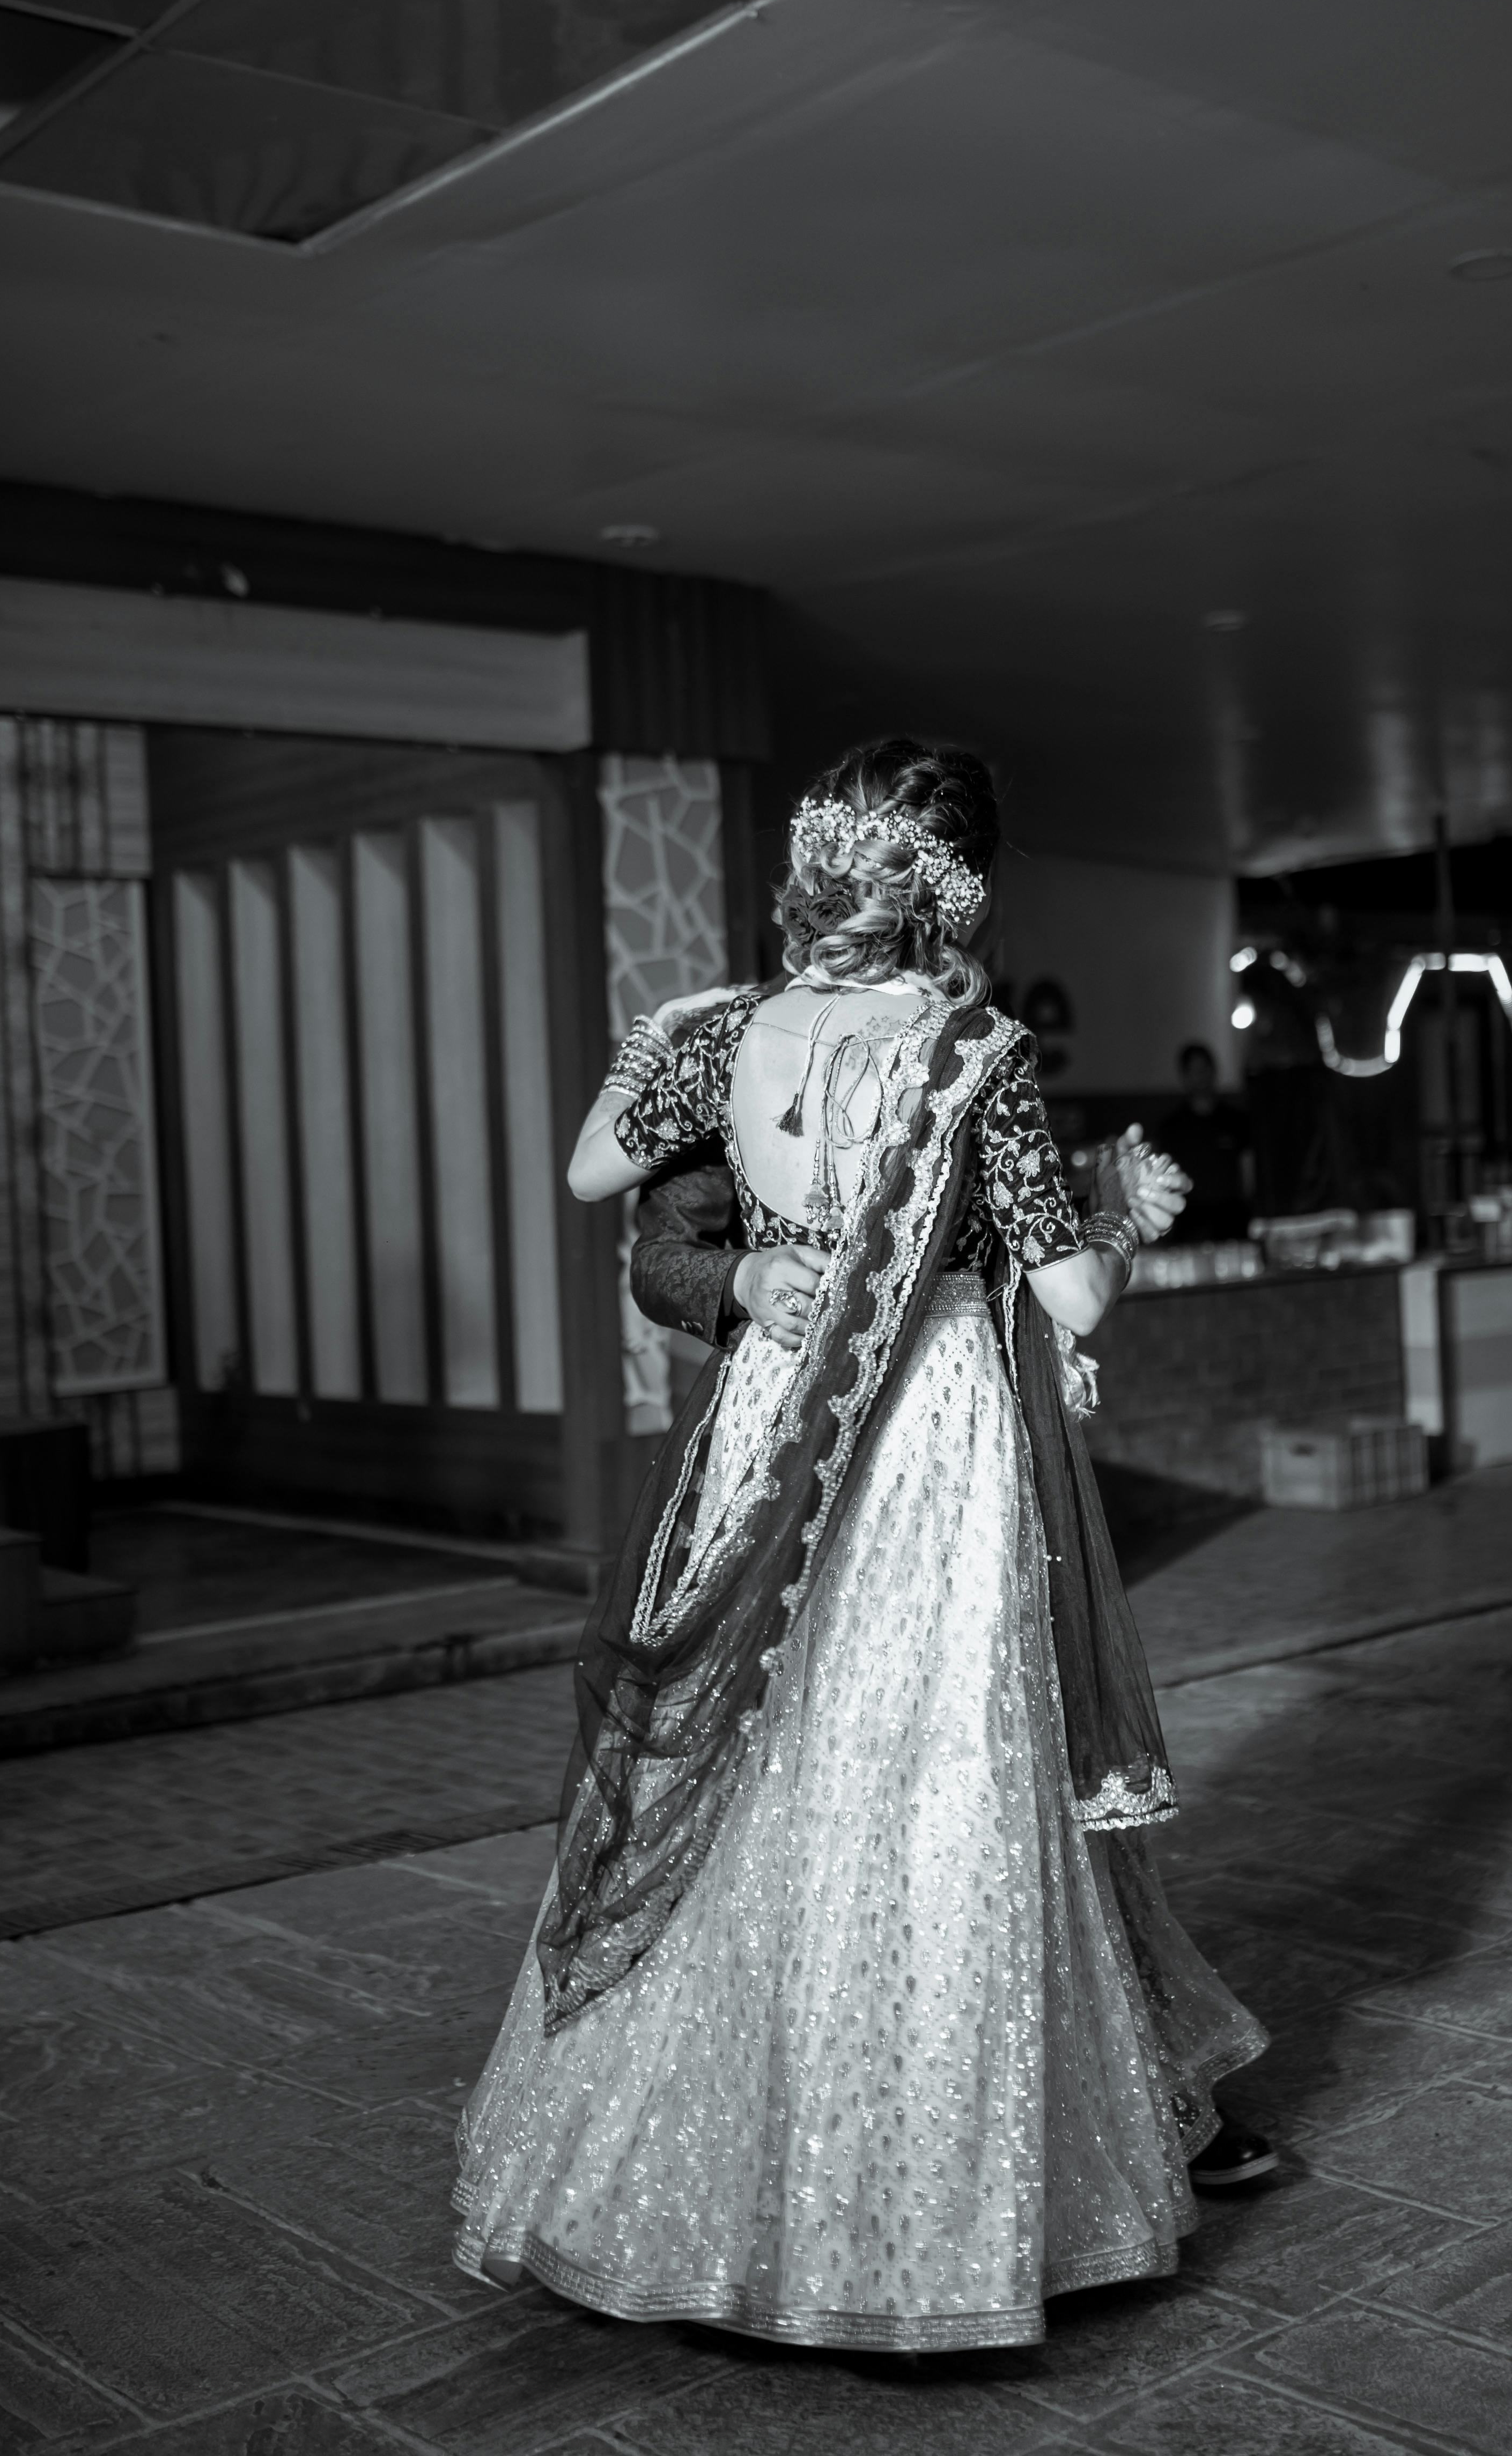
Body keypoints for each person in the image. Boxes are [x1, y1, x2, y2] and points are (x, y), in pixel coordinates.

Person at [453, 737, 1270, 2349]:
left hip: (771, 1425)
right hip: (926, 1439)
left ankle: (697, 2193)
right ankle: (913, 2214)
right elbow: (1075, 1300)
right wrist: (1122, 1211)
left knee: (757, 1756)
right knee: (935, 1773)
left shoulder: (732, 1035)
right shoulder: (977, 1055)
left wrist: (658, 1038)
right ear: (958, 889)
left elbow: (590, 1165)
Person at [1153, 1039, 1255, 1244]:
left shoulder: (1237, 1121)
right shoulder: (1172, 1127)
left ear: (1214, 1071)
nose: (1200, 1076)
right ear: (1184, 1076)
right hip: (1189, 1222)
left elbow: (1249, 1173)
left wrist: (1252, 1211)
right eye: (1193, 1070)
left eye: (1204, 1068)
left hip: (1232, 1219)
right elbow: (1162, 1178)